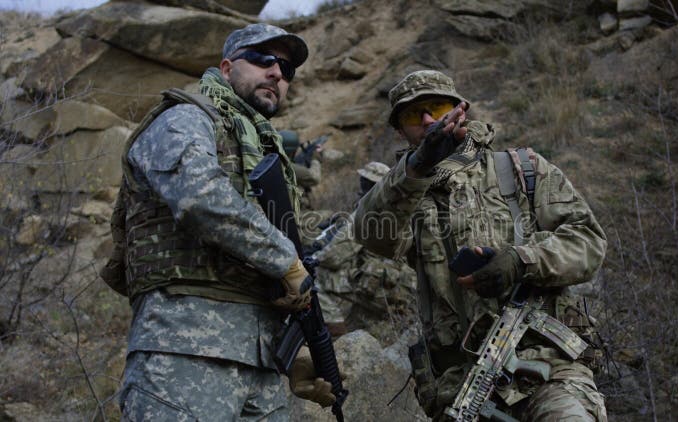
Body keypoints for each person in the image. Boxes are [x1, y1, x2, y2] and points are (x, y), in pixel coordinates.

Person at [352, 70, 608, 420]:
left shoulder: (523, 170)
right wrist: (417, 167)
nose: (428, 120)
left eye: (437, 106)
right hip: (462, 387)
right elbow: (370, 233)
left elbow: (588, 241)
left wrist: (521, 260)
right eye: (414, 115)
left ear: (461, 110)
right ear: (400, 130)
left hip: (548, 368)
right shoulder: (403, 195)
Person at [110, 23, 335, 419]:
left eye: (286, 68)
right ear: (227, 68)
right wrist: (286, 262)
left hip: (260, 370)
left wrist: (292, 353)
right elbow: (200, 198)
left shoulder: (265, 149)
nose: (277, 73)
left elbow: (273, 273)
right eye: (263, 59)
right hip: (182, 354)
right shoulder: (185, 118)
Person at [313, 161, 417, 340]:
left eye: (364, 182)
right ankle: (357, 326)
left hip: (387, 290)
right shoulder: (400, 209)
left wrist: (314, 255)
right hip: (405, 287)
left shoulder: (366, 215)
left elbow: (332, 258)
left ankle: (335, 330)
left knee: (313, 275)